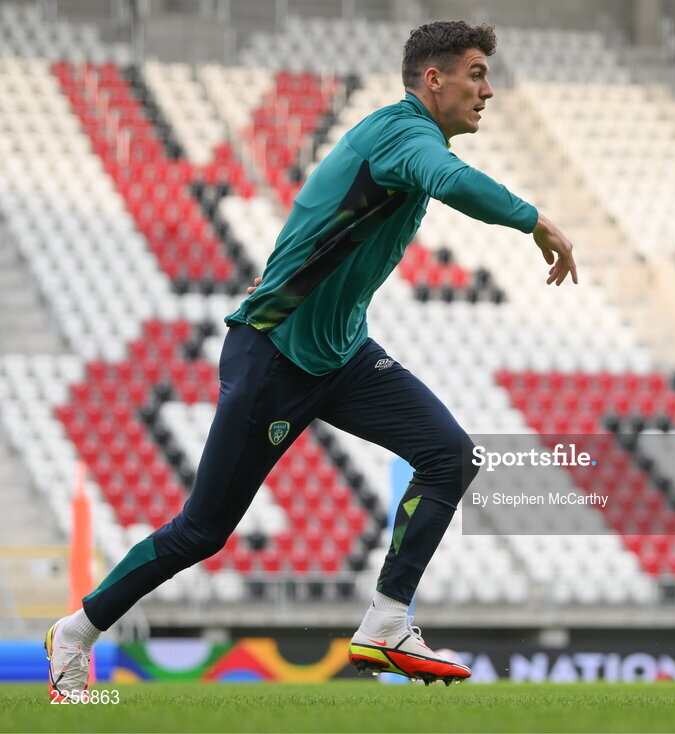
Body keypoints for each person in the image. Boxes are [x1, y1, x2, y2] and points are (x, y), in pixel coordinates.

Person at [45, 20, 577, 698]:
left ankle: (387, 620)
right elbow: (451, 180)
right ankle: (76, 633)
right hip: (276, 357)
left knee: (450, 455)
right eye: (476, 74)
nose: (488, 90)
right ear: (433, 79)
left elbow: (318, 221)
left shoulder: (402, 139)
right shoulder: (404, 136)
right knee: (201, 531)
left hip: (342, 355)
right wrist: (534, 220)